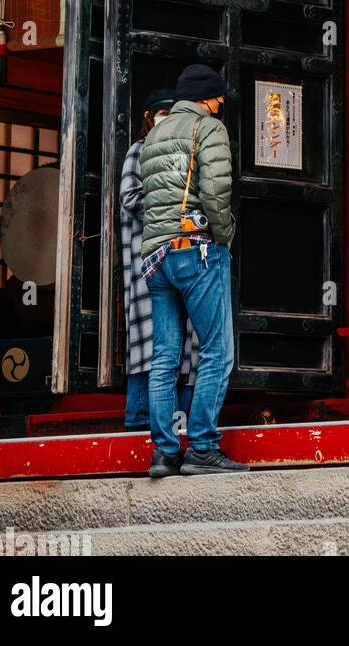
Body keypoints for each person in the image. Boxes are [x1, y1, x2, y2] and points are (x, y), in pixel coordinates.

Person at [140, 64, 245, 476]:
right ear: (207, 97)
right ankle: (202, 445)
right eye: (219, 98)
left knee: (165, 357)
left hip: (156, 257)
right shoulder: (209, 128)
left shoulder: (155, 134)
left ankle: (164, 452)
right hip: (195, 249)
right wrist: (225, 235)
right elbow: (216, 192)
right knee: (217, 350)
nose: (221, 105)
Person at [118, 87, 197, 431]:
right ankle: (139, 420)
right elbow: (130, 198)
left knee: (184, 343)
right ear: (148, 119)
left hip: (184, 257)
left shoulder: (185, 153)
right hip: (147, 260)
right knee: (150, 345)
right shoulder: (139, 150)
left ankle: (180, 421)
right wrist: (171, 205)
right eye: (161, 114)